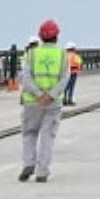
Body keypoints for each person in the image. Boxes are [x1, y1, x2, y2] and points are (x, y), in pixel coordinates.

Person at [18, 20, 68, 183]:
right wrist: (50, 95)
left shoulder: (31, 54)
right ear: (56, 36)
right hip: (52, 104)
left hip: (32, 102)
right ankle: (42, 172)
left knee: (29, 133)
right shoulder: (62, 54)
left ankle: (29, 163)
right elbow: (64, 78)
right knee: (47, 136)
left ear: (41, 36)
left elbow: (26, 78)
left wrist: (39, 94)